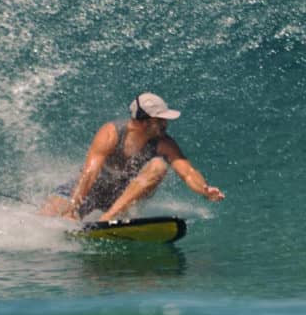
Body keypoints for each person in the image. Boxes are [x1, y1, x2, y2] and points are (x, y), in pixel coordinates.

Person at [41, 92, 225, 222]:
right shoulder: (111, 133)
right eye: (160, 120)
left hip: (121, 199)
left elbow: (188, 172)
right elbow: (90, 173)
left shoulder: (164, 143)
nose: (166, 124)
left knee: (159, 166)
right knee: (48, 216)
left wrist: (204, 189)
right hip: (90, 190)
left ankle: (109, 217)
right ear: (144, 122)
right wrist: (72, 208)